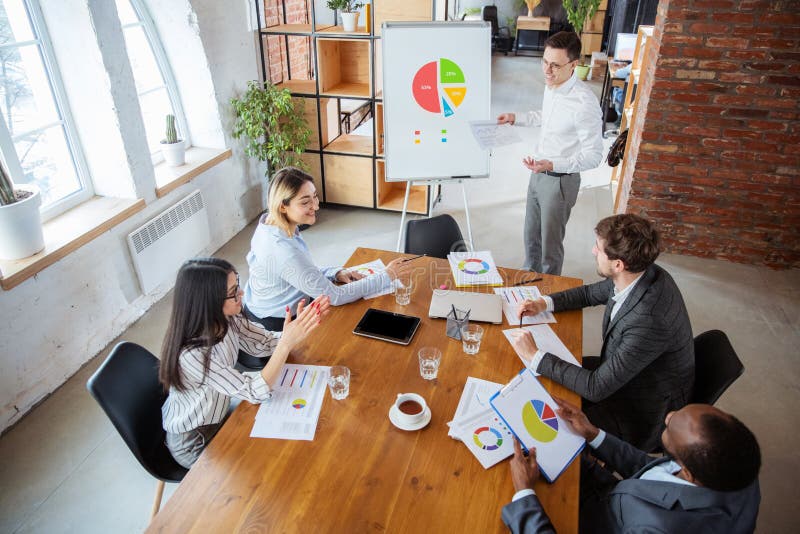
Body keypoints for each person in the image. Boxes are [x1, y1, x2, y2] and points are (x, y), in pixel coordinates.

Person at [511, 214, 693, 451]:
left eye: (598, 247)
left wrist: (535, 355)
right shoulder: (640, 272)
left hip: (638, 410)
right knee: (539, 383)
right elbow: (589, 294)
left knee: (547, 435)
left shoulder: (649, 320)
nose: (593, 251)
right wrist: (543, 303)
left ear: (618, 264)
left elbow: (596, 388)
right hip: (624, 374)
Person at [159, 257, 330, 468]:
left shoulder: (228, 316)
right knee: (261, 466)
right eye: (233, 292)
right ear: (210, 302)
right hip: (194, 439)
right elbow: (254, 391)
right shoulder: (192, 355)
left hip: (221, 408)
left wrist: (298, 328)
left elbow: (263, 343)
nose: (241, 293)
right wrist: (286, 343)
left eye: (237, 284)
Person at [502, 399, 761, 534]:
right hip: (615, 494)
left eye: (670, 428)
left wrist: (524, 492)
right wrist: (593, 434)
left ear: (688, 472)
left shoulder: (657, 528)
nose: (669, 415)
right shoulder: (737, 464)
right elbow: (655, 470)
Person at [243, 167, 412, 331]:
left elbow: (301, 270)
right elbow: (335, 296)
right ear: (282, 206)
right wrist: (387, 275)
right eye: (305, 202)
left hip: (274, 305)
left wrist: (335, 272)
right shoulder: (282, 250)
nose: (316, 206)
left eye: (315, 197)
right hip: (277, 322)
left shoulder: (271, 223)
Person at [497, 31, 603, 276]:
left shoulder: (584, 104)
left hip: (560, 182)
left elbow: (594, 155)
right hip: (538, 172)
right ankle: (528, 280)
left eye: (555, 65)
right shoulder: (553, 85)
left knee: (549, 247)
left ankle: (548, 290)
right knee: (531, 237)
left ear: (573, 65)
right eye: (545, 61)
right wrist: (516, 117)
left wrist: (553, 165)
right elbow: (548, 117)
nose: (547, 70)